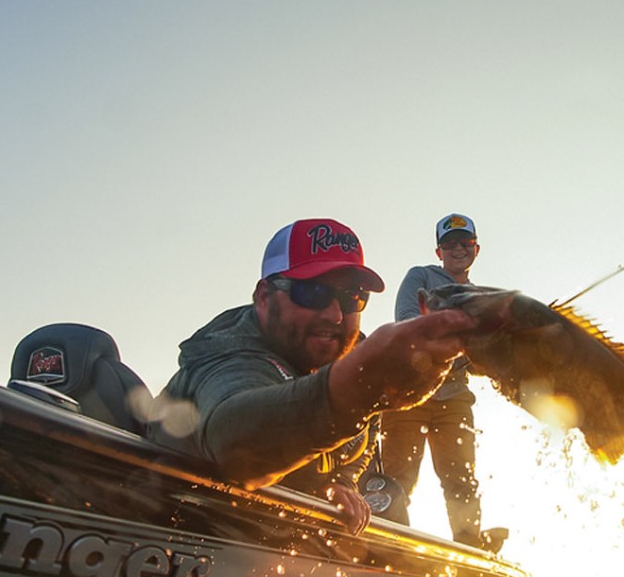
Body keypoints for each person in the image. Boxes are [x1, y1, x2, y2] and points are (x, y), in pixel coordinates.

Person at [151, 218, 473, 534]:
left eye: (352, 297)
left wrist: (341, 481)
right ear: (264, 297)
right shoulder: (229, 353)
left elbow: (365, 435)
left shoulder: (348, 350)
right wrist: (360, 388)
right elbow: (234, 440)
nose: (334, 315)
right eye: (312, 293)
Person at [376, 213, 502, 552]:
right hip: (406, 393)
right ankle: (389, 541)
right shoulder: (420, 276)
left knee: (461, 479)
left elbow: (480, 363)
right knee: (400, 478)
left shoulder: (482, 298)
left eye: (465, 242)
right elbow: (407, 322)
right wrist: (461, 342)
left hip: (455, 399)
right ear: (439, 251)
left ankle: (469, 544)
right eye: (450, 244)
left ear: (477, 249)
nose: (458, 248)